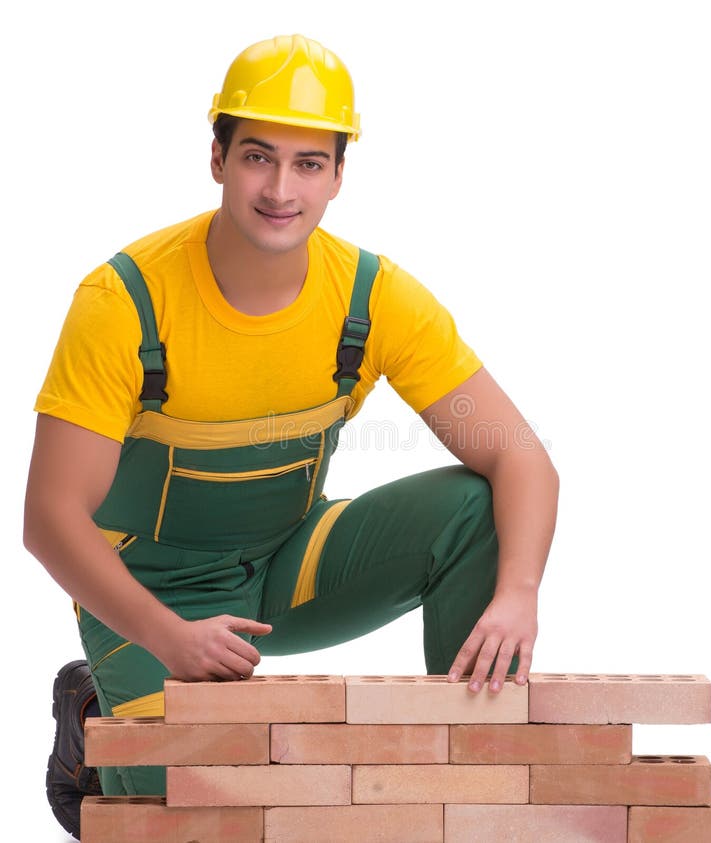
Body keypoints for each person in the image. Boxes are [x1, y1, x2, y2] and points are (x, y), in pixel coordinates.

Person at [24, 34, 559, 839]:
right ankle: (96, 721)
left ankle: (473, 775)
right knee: (186, 813)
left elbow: (518, 455)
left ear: (339, 174)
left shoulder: (374, 300)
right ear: (216, 157)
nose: (281, 188)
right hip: (146, 593)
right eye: (258, 157)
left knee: (475, 508)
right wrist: (167, 637)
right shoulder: (125, 302)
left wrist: (518, 592)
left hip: (282, 562)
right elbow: (50, 517)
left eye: (309, 163)